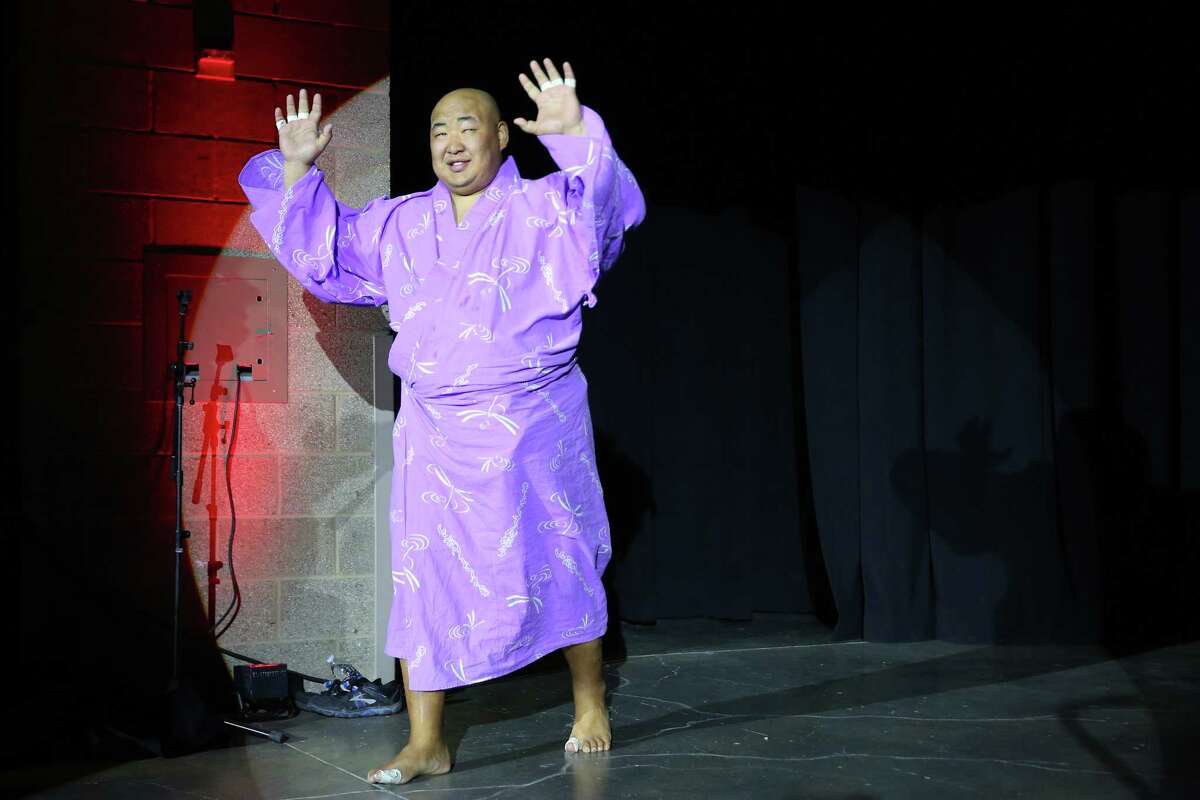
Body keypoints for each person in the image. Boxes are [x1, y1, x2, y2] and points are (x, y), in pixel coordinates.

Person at [238, 58, 645, 785]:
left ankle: (588, 703)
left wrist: (577, 135)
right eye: (438, 130)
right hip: (436, 428)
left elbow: (603, 215)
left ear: (500, 137)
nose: (452, 141)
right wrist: (300, 172)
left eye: (468, 126)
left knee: (562, 554)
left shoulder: (544, 208)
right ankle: (427, 739)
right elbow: (326, 251)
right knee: (422, 574)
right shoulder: (402, 222)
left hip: (534, 415)